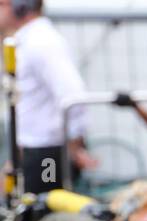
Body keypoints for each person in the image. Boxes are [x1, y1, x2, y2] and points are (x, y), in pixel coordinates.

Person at [1, 0, 94, 193]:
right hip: (36, 152)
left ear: (21, 6)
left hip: (47, 154)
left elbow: (73, 95)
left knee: (45, 214)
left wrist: (74, 143)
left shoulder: (41, 41)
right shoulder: (28, 40)